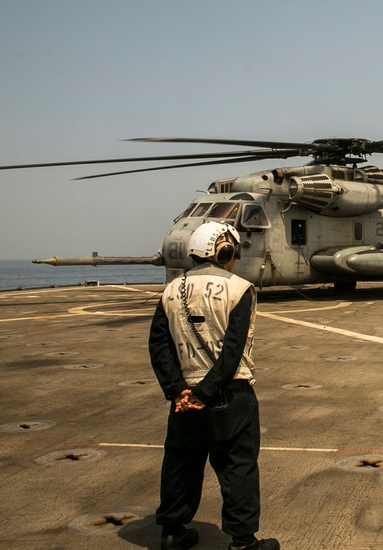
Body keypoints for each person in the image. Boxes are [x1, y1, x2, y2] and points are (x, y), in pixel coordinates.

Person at [149, 221, 279, 550]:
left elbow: (159, 347)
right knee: (237, 466)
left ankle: (173, 532)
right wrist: (204, 393)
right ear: (224, 251)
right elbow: (232, 352)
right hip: (229, 396)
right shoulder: (239, 289)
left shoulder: (170, 291)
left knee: (181, 463)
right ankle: (242, 542)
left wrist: (179, 391)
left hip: (184, 402)